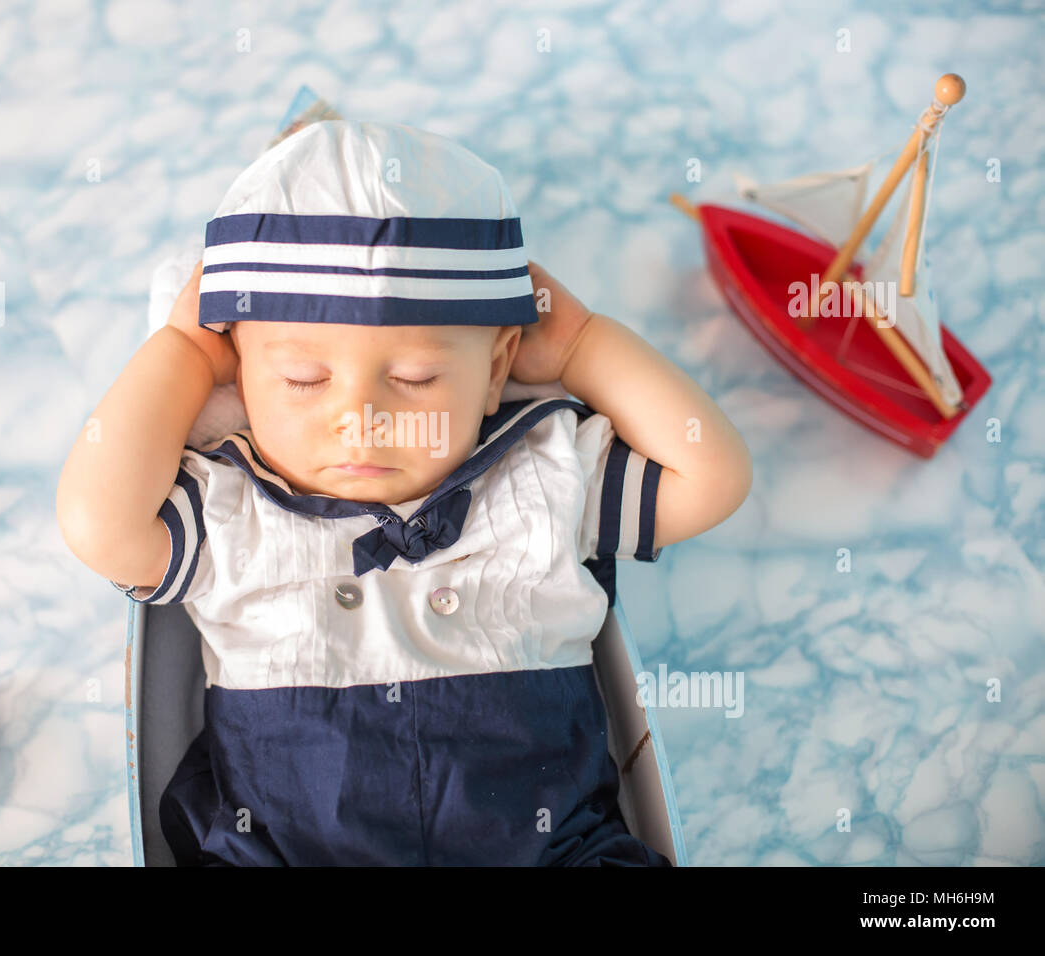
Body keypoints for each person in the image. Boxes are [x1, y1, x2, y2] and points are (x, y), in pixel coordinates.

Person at [57, 120, 752, 865]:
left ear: (496, 370)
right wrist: (186, 350)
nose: (361, 421)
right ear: (239, 376)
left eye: (415, 379)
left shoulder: (543, 474)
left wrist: (583, 343)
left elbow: (712, 479)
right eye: (302, 380)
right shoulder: (232, 507)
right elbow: (101, 524)